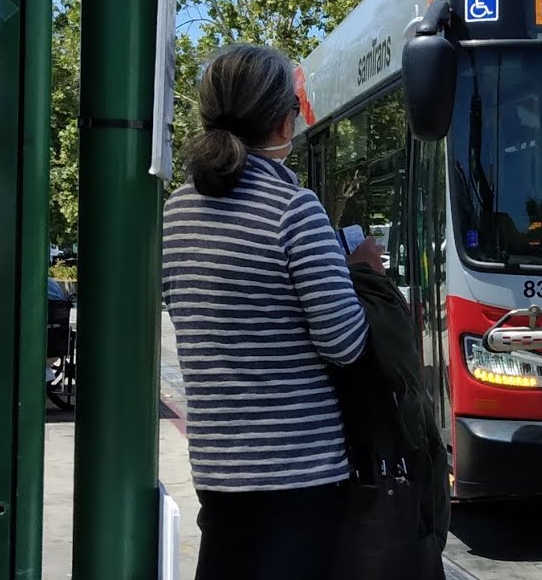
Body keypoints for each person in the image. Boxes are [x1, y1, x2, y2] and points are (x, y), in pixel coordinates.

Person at [160, 43, 385, 580]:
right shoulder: (293, 208)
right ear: (284, 122)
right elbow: (343, 342)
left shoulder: (176, 212)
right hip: (299, 471)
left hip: (216, 466)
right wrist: (362, 271)